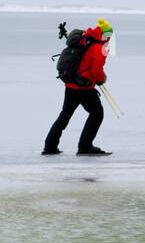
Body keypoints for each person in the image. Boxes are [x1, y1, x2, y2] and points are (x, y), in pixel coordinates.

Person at [43, 18, 114, 156]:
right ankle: (85, 146)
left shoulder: (85, 39)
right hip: (84, 88)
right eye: (109, 36)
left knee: (65, 115)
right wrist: (101, 79)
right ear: (105, 35)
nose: (110, 38)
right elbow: (96, 70)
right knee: (97, 113)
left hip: (70, 85)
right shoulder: (99, 48)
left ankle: (49, 147)